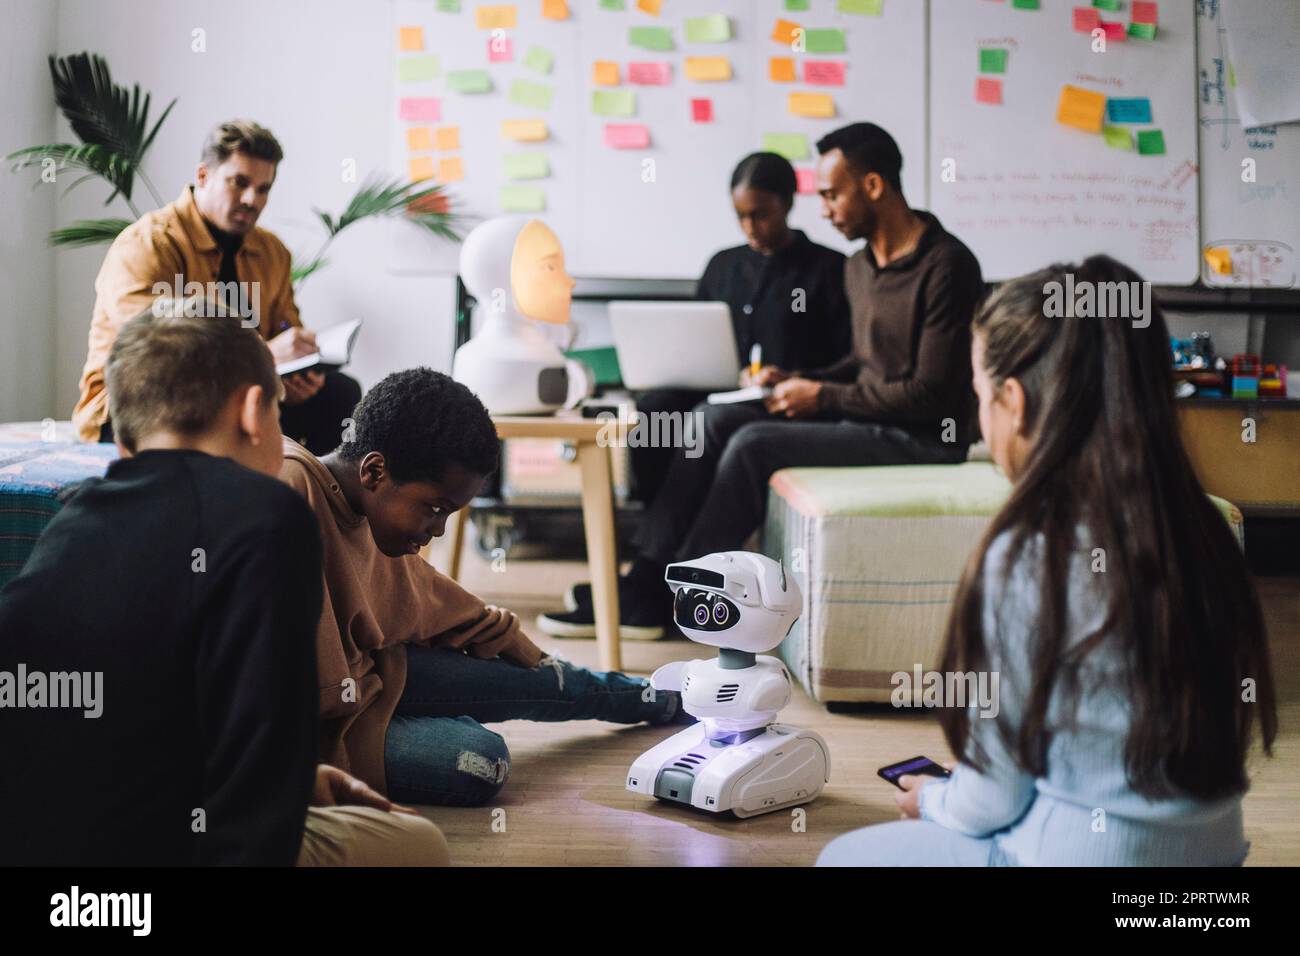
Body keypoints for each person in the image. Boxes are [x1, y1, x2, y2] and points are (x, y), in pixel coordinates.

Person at [818, 257, 1278, 866]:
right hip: (1212, 862)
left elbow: (992, 804)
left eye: (980, 394)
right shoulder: (1205, 530)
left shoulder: (1030, 551)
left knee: (844, 858)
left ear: (1014, 402)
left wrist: (933, 798)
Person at [0, 300, 446, 866]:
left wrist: (302, 783)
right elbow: (262, 740)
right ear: (253, 411)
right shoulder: (270, 515)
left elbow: (138, 716)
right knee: (421, 845)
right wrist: (287, 791)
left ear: (127, 438)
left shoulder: (69, 521)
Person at [540, 122, 984, 640]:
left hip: (921, 435)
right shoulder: (862, 266)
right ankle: (647, 575)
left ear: (873, 185)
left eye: (832, 195)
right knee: (711, 419)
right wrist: (796, 379)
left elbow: (930, 395)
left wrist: (821, 395)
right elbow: (862, 364)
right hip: (868, 413)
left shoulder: (947, 265)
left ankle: (676, 595)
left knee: (752, 444)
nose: (825, 210)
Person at [279, 367, 692, 808]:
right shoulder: (286, 490)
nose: (439, 529)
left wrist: (515, 648)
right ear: (375, 471)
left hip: (378, 675)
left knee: (546, 678)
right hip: (317, 730)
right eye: (435, 508)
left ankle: (675, 702)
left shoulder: (367, 510)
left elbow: (426, 595)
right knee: (481, 759)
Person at [72, 119, 361, 455]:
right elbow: (155, 354)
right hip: (147, 397)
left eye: (263, 189)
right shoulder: (147, 244)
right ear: (203, 176)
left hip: (239, 392)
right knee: (199, 406)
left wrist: (299, 375)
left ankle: (308, 489)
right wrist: (265, 356)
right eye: (239, 183)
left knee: (339, 393)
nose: (252, 199)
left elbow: (286, 327)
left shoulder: (272, 252)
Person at [630, 151, 850, 503]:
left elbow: (846, 358)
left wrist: (791, 376)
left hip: (781, 399)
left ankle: (667, 529)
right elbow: (694, 343)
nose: (750, 227)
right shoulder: (722, 266)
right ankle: (653, 510)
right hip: (721, 389)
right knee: (655, 411)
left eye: (760, 215)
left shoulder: (829, 269)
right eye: (741, 216)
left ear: (787, 203)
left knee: (709, 420)